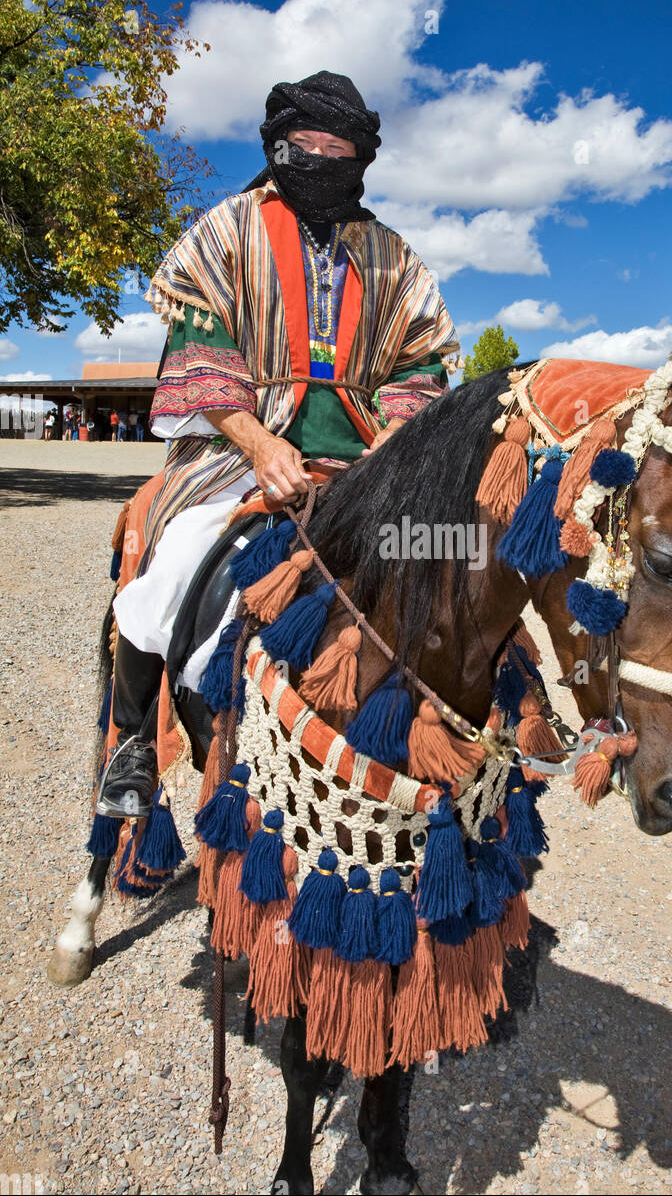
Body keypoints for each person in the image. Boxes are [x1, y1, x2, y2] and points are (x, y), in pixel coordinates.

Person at [99, 71, 459, 817]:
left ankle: (472, 739)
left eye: (341, 148)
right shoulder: (227, 230)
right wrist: (261, 444)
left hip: (363, 462)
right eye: (308, 145)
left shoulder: (393, 256)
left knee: (451, 564)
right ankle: (134, 744)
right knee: (172, 563)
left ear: (360, 161)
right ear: (278, 146)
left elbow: (423, 367)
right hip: (236, 455)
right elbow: (201, 349)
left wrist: (390, 446)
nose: (324, 158)